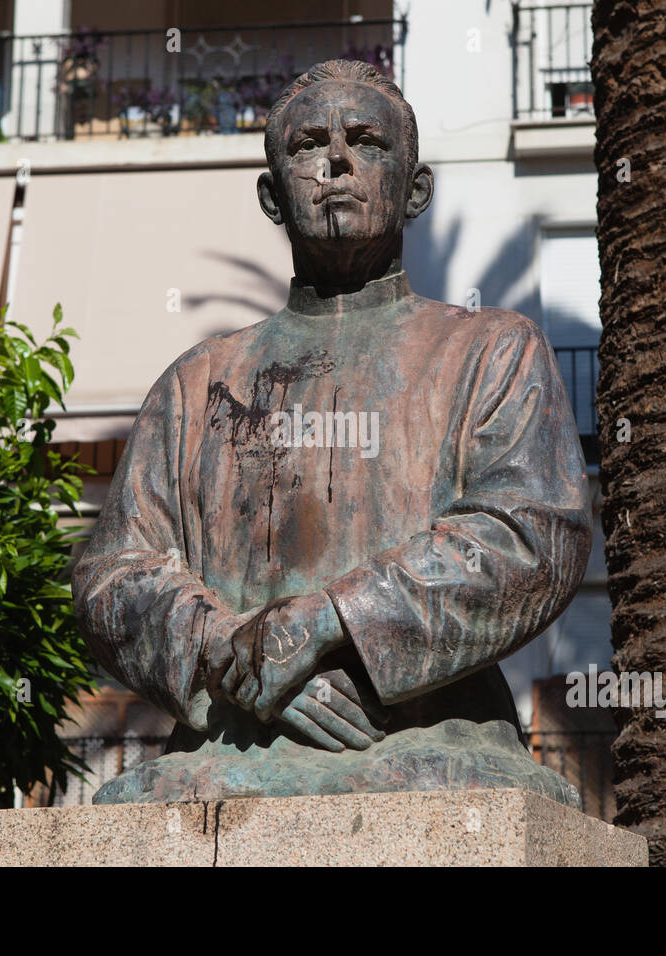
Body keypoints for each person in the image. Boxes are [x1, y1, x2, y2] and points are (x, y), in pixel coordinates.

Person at [73, 60, 591, 804]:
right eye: (309, 144)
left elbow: (532, 531)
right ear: (272, 195)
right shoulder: (195, 383)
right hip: (224, 744)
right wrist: (232, 653)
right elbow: (111, 575)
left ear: (416, 191)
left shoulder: (491, 351)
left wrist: (327, 621)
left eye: (368, 142)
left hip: (434, 744)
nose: (337, 161)